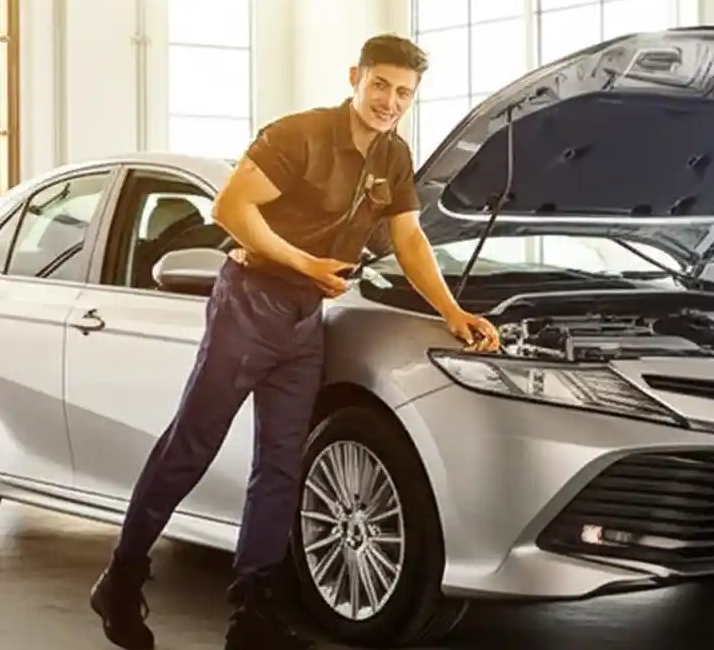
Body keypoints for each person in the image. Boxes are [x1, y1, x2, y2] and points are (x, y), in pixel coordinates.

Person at [88, 33, 501, 650]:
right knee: (192, 445)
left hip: (305, 319)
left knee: (281, 465)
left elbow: (408, 239)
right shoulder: (300, 135)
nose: (390, 100)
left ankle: (253, 609)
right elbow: (233, 209)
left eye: (404, 93)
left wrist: (452, 311)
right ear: (356, 76)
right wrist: (305, 263)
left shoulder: (393, 156)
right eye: (381, 84)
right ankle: (122, 577)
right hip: (248, 302)